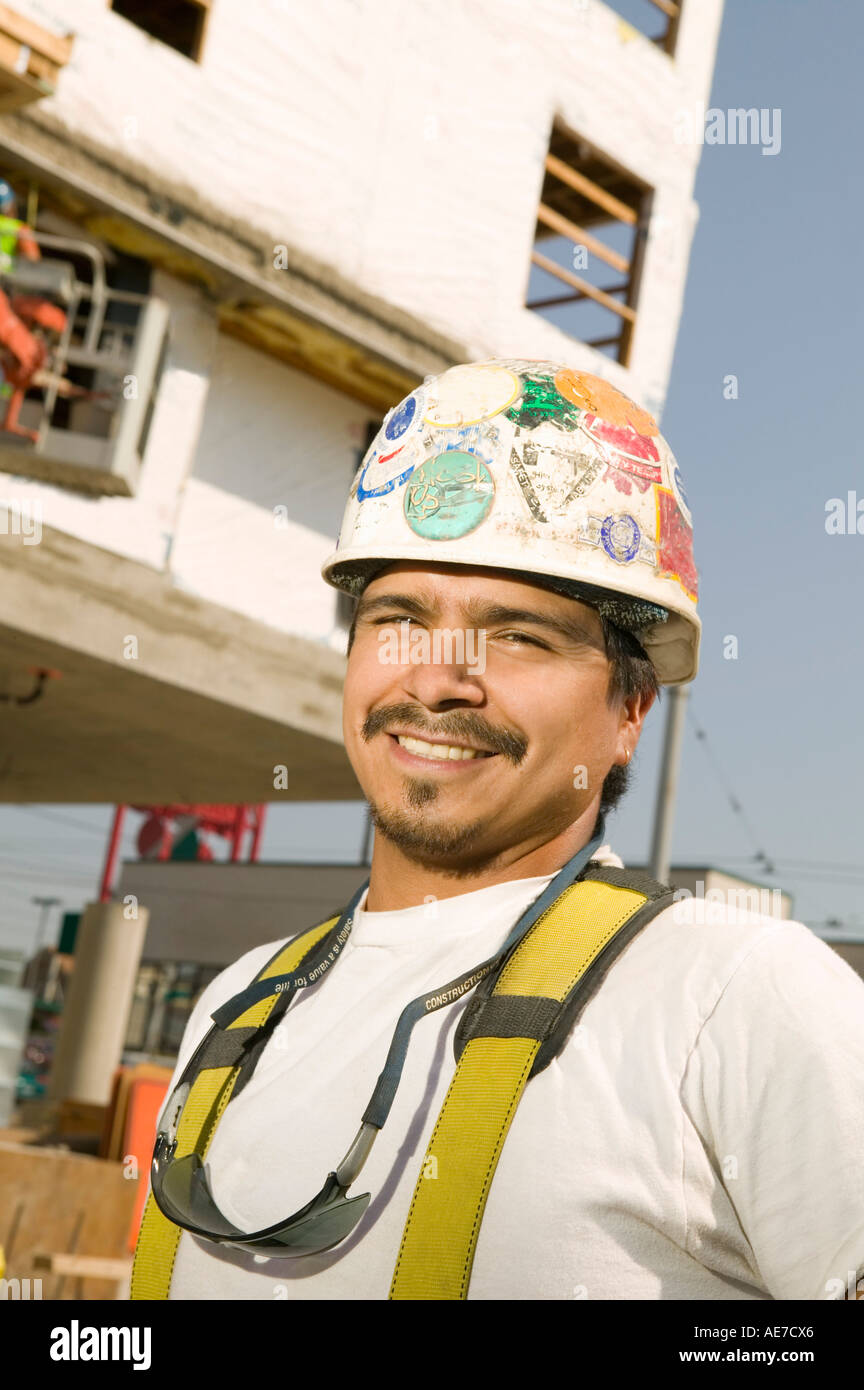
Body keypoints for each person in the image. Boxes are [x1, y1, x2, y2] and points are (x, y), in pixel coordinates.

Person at [132, 358, 864, 1301]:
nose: (437, 681)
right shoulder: (241, 1006)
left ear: (631, 707)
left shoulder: (732, 998)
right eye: (398, 619)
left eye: (517, 635)